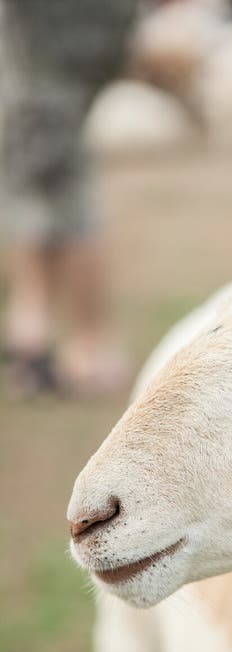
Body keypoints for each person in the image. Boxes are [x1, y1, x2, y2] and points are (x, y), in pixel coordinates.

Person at [0, 0, 138, 396]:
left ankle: (34, 340)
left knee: (40, 206)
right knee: (70, 213)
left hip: (32, 86)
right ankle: (84, 350)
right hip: (53, 88)